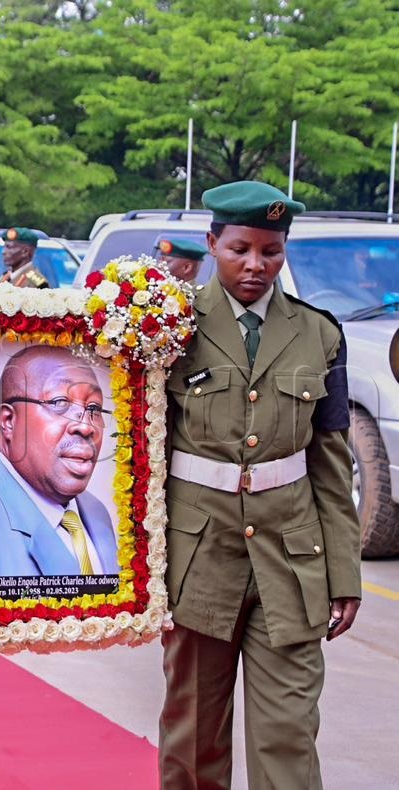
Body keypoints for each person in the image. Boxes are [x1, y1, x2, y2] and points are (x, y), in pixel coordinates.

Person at [160, 181, 362, 789]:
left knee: (289, 735)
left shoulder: (319, 333)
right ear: (212, 243)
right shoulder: (166, 325)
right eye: (240, 248)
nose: (255, 266)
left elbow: (331, 462)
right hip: (197, 558)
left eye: (271, 252)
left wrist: (344, 573)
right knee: (194, 735)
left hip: (292, 560)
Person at [0, 346, 117, 577]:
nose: (85, 426)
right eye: (59, 402)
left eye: (93, 408)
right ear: (8, 421)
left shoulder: (95, 512)